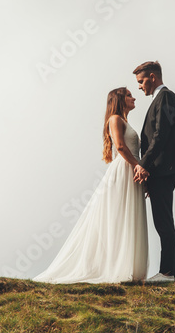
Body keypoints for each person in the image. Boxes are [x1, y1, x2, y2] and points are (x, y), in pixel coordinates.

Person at [33, 87, 148, 284]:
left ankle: (127, 266)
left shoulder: (123, 121)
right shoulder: (115, 119)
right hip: (125, 169)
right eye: (129, 95)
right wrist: (137, 165)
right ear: (120, 99)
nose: (134, 98)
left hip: (132, 170)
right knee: (120, 216)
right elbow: (120, 146)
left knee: (130, 215)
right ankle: (116, 267)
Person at [133, 61, 175, 283]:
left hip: (163, 169)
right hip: (161, 171)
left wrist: (144, 164)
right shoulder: (161, 98)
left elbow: (160, 134)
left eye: (141, 81)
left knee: (162, 222)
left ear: (152, 77)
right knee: (166, 221)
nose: (139, 86)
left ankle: (166, 272)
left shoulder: (165, 97)